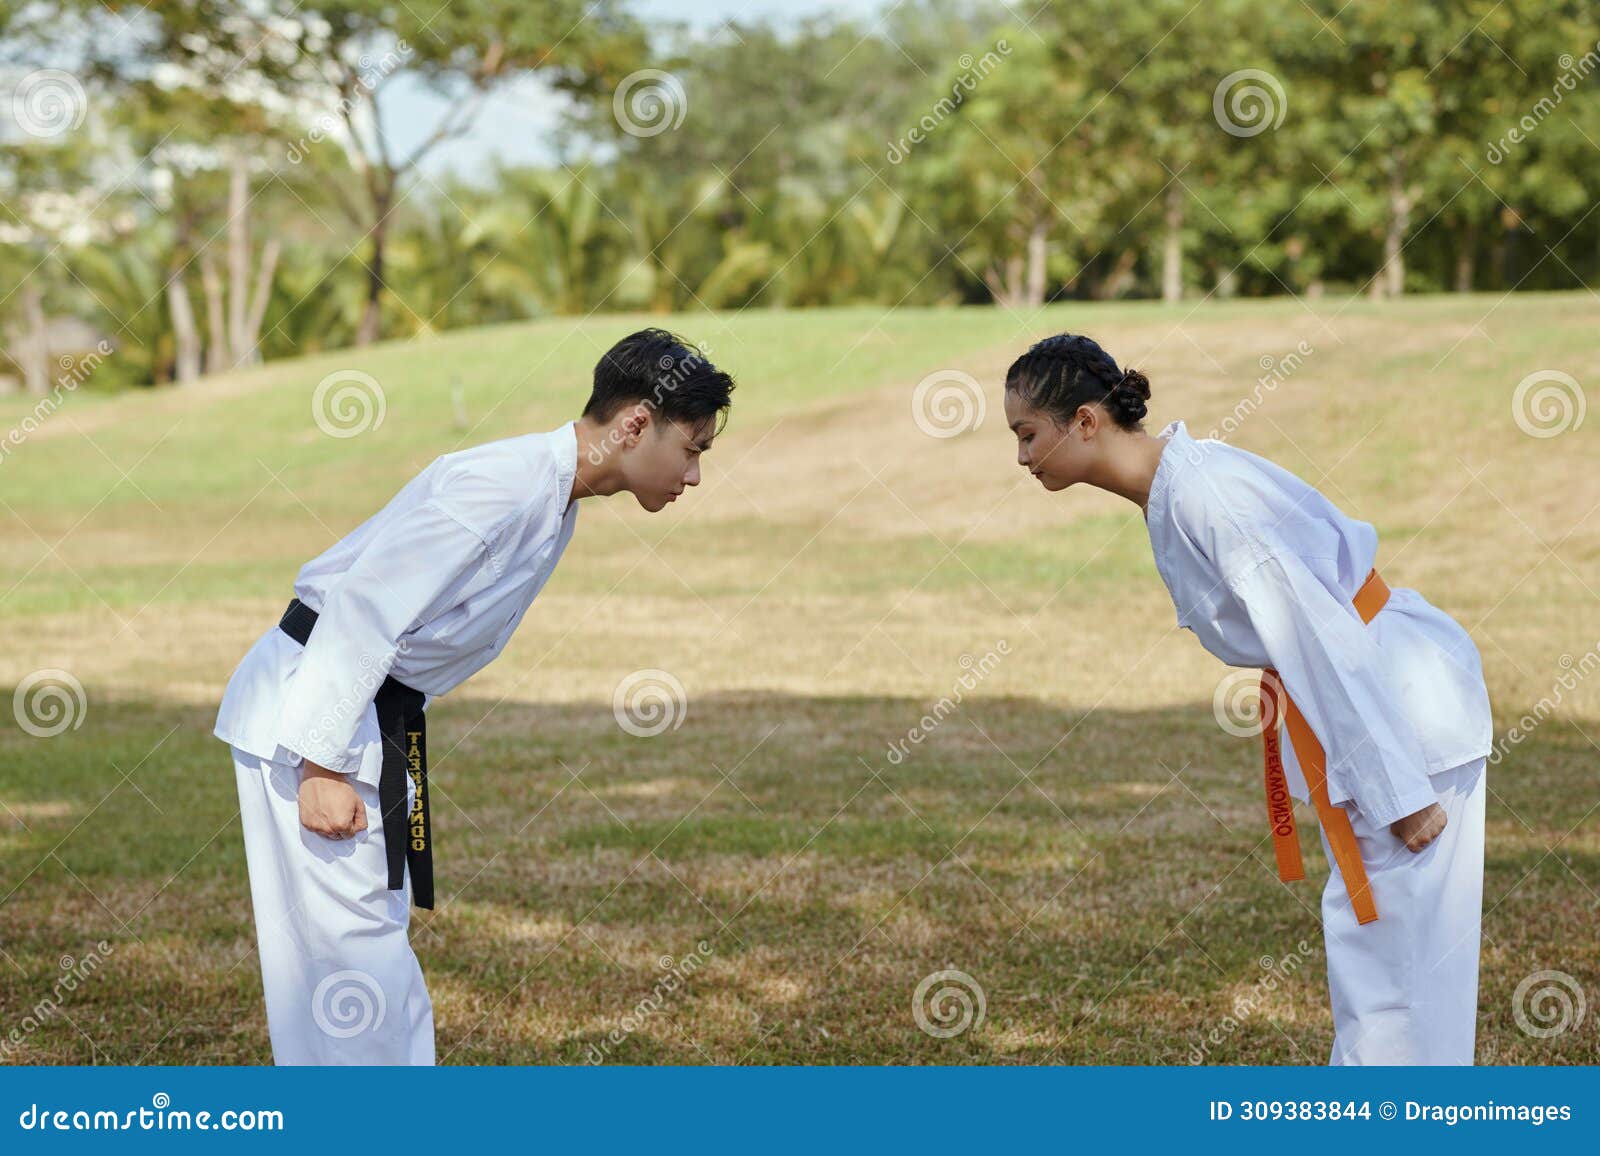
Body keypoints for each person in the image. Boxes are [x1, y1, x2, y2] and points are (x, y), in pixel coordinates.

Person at [215, 328, 734, 1064]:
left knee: (344, 965)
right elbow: (366, 604)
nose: (694, 475)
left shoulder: (553, 495)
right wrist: (321, 766)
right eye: (692, 449)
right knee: (357, 967)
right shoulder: (507, 485)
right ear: (635, 425)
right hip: (314, 712)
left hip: (359, 712)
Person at [1002, 332, 1492, 1065]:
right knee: (1389, 953)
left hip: (1397, 703)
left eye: (1027, 434)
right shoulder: (1177, 484)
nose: (1020, 458)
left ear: (1086, 421)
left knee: (1399, 961)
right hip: (1372, 699)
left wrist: (1400, 790)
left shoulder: (1204, 495)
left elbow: (1318, 634)